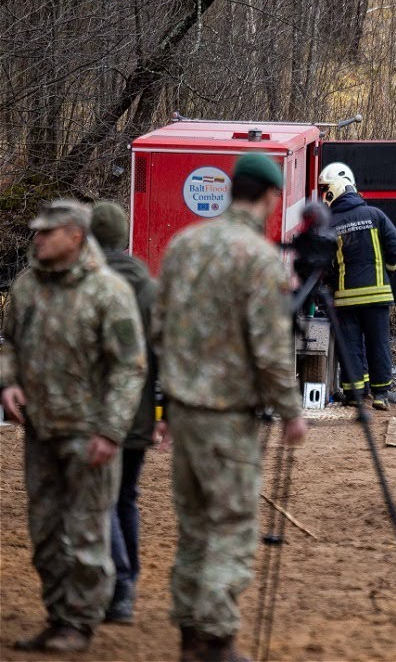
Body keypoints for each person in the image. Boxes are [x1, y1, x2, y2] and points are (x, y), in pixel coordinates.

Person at [153, 152, 307, 662]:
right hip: (226, 413)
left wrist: (164, 398)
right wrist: (291, 411)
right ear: (268, 197)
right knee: (233, 522)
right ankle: (216, 638)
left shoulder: (183, 245)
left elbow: (159, 327)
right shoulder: (257, 257)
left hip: (182, 407)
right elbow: (269, 346)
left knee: (194, 522)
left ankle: (189, 632)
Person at [0, 199, 147, 653]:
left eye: (49, 232)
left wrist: (111, 431)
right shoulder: (26, 288)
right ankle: (58, 614)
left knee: (87, 532)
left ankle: (79, 622)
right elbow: (8, 343)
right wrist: (7, 383)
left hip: (89, 433)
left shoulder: (109, 292)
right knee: (45, 532)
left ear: (76, 237)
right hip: (41, 431)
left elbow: (130, 367)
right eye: (37, 232)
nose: (38, 238)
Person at [90, 200, 161, 624]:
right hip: (140, 411)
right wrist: (163, 408)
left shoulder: (93, 283)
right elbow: (164, 348)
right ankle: (127, 577)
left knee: (102, 500)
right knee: (126, 497)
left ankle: (119, 585)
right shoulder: (147, 286)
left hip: (102, 409)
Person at [318, 162, 396, 410]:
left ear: (334, 191)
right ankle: (381, 396)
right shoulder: (376, 216)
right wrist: (387, 273)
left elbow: (324, 263)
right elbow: (394, 247)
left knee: (351, 346)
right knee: (378, 344)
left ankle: (355, 395)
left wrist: (333, 285)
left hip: (346, 300)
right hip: (378, 296)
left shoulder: (330, 225)